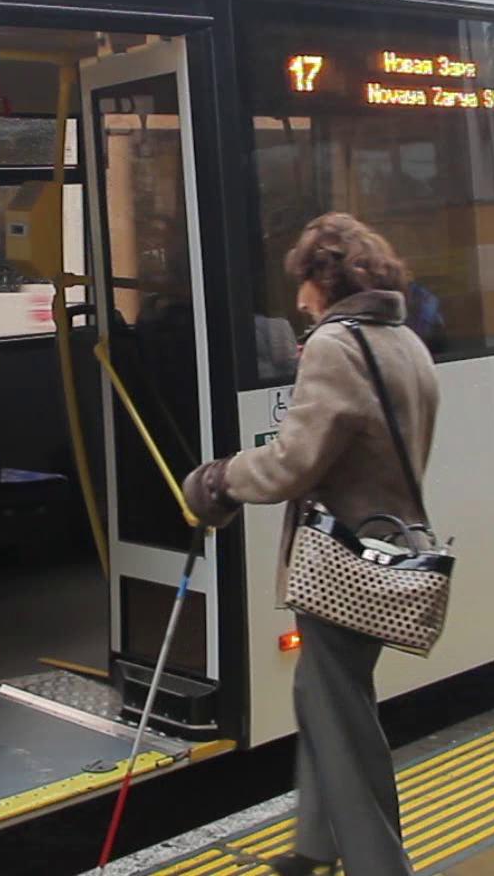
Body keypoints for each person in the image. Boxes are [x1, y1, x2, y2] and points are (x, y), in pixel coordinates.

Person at [183, 213, 440, 876]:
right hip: (388, 547)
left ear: (325, 280)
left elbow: (295, 461)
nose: (297, 302)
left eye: (302, 285)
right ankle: (312, 848)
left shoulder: (336, 346)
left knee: (343, 721)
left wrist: (220, 480)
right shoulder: (405, 341)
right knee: (322, 697)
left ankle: (381, 865)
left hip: (343, 561)